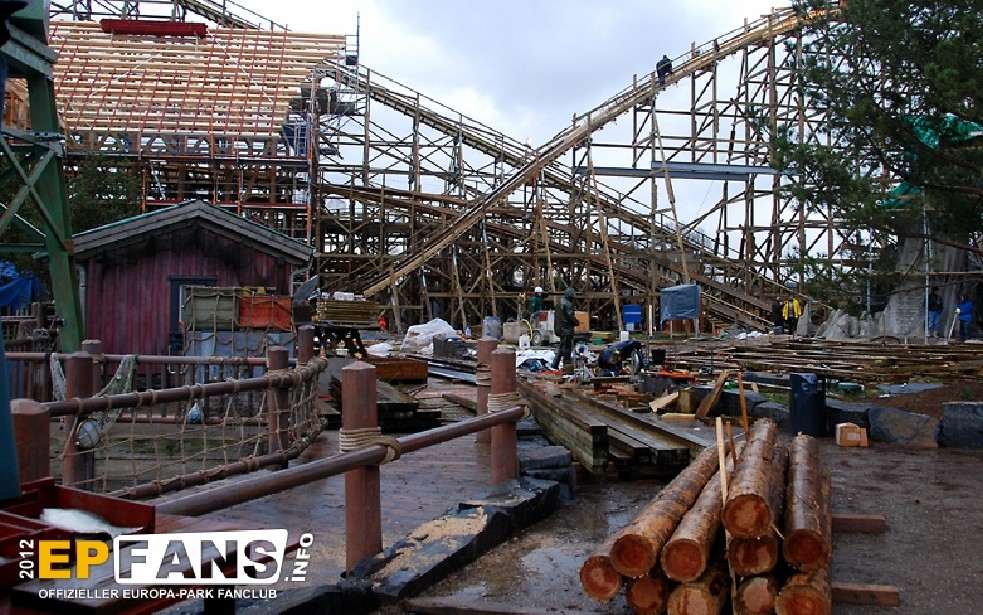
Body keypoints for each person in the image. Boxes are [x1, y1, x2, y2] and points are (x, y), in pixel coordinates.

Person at [551, 287, 576, 370]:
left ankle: (555, 364)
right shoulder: (568, 304)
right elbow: (570, 316)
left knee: (561, 347)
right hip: (566, 329)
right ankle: (566, 365)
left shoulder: (559, 302)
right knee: (567, 349)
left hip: (560, 328)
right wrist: (576, 322)